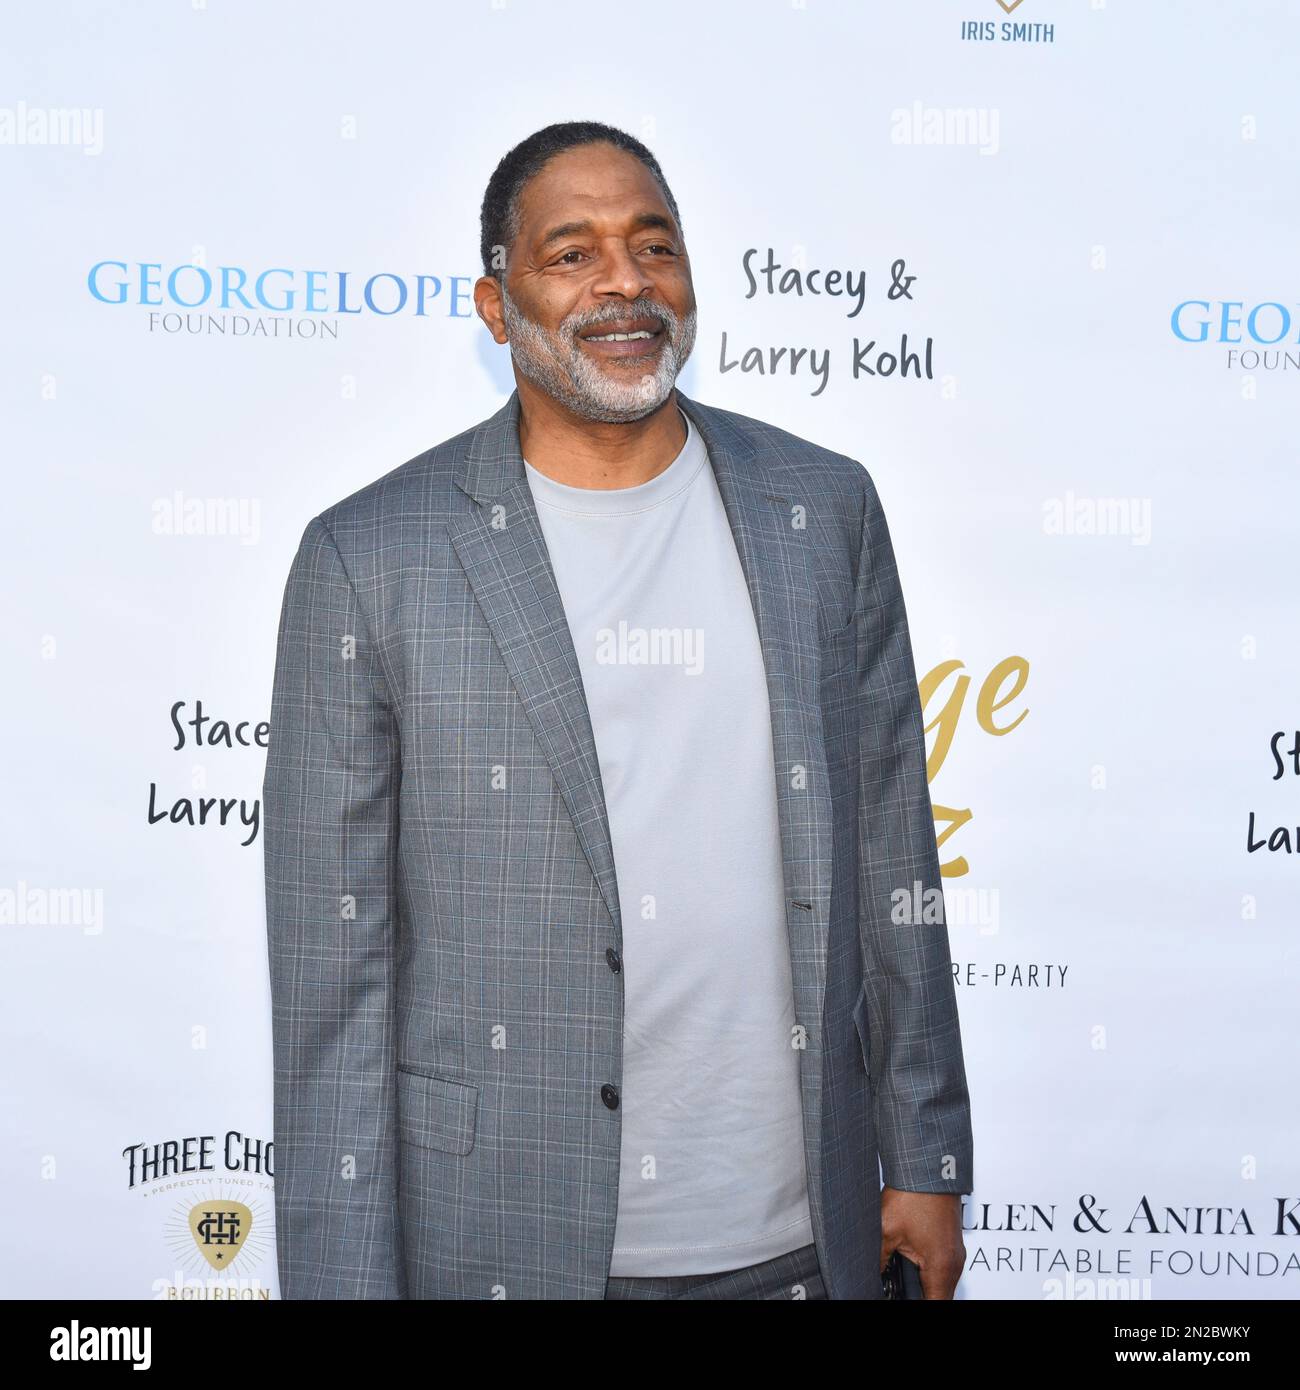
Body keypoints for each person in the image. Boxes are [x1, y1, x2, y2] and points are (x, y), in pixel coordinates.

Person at [263, 119, 973, 1301]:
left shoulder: (822, 509)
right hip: (502, 1236)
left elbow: (893, 844)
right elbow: (334, 980)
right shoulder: (370, 557)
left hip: (802, 1233)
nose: (626, 281)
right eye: (572, 252)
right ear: (497, 307)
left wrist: (928, 1149)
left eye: (654, 244)